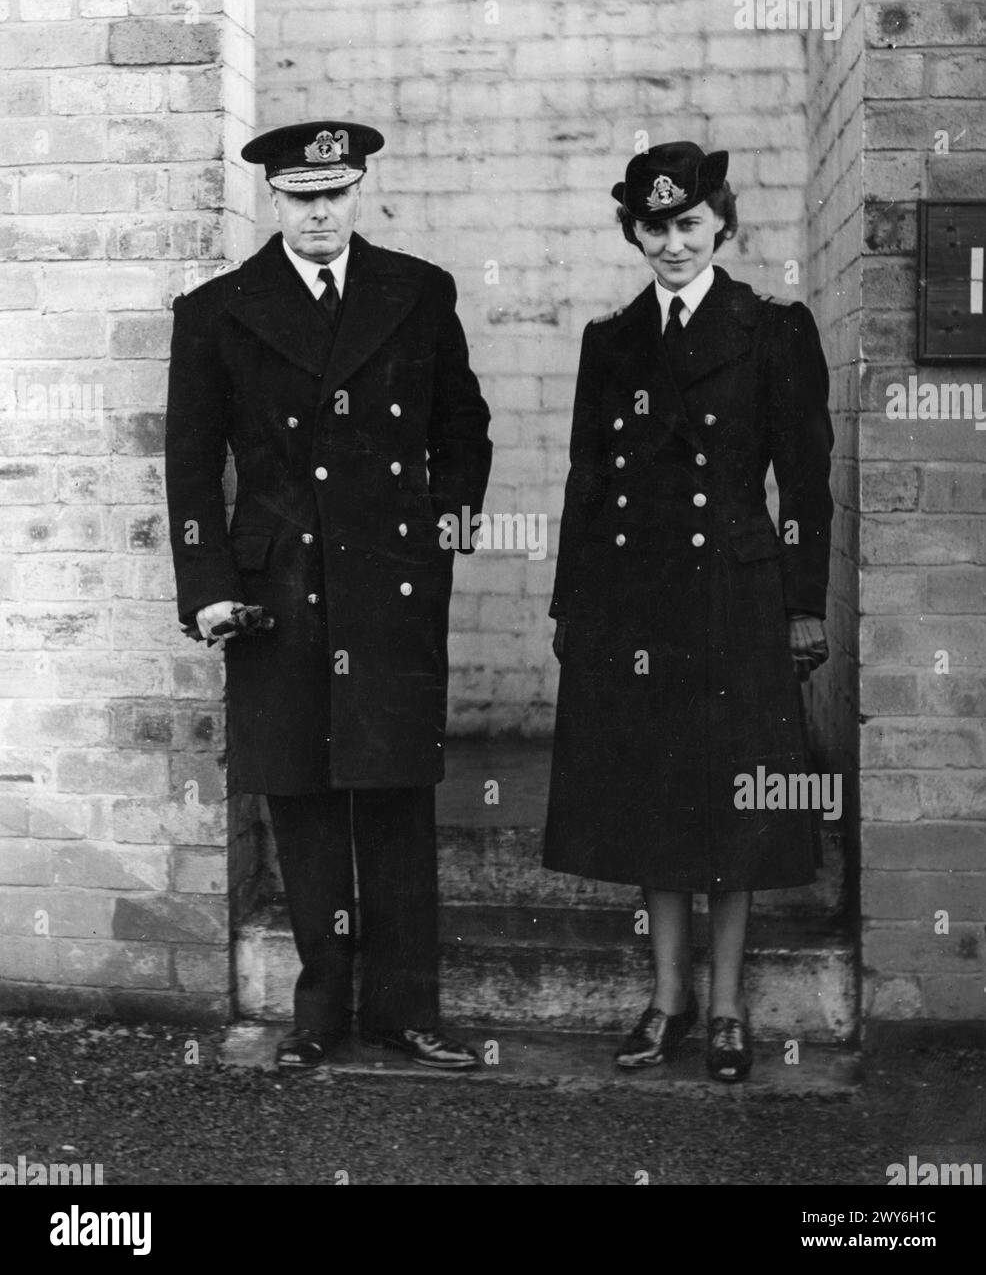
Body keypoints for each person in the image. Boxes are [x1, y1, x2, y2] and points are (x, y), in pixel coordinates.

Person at [165, 121, 492, 1070]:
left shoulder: (417, 291)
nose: (319, 213)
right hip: (280, 590)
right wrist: (209, 588)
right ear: (274, 200)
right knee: (302, 798)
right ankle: (319, 1015)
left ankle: (404, 1010)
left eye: (335, 194)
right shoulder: (219, 310)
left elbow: (461, 423)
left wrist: (450, 518)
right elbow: (192, 468)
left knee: (394, 794)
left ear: (359, 194)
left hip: (389, 581)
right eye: (301, 198)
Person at [543, 141, 833, 1082]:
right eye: (654, 227)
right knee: (656, 799)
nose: (672, 244)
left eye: (690, 226)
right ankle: (665, 1001)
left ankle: (726, 1010)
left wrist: (803, 608)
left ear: (723, 227)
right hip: (636, 607)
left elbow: (808, 485)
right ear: (634, 231)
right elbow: (588, 486)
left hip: (738, 600)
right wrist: (571, 609)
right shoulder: (611, 341)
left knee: (737, 800)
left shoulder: (773, 330)